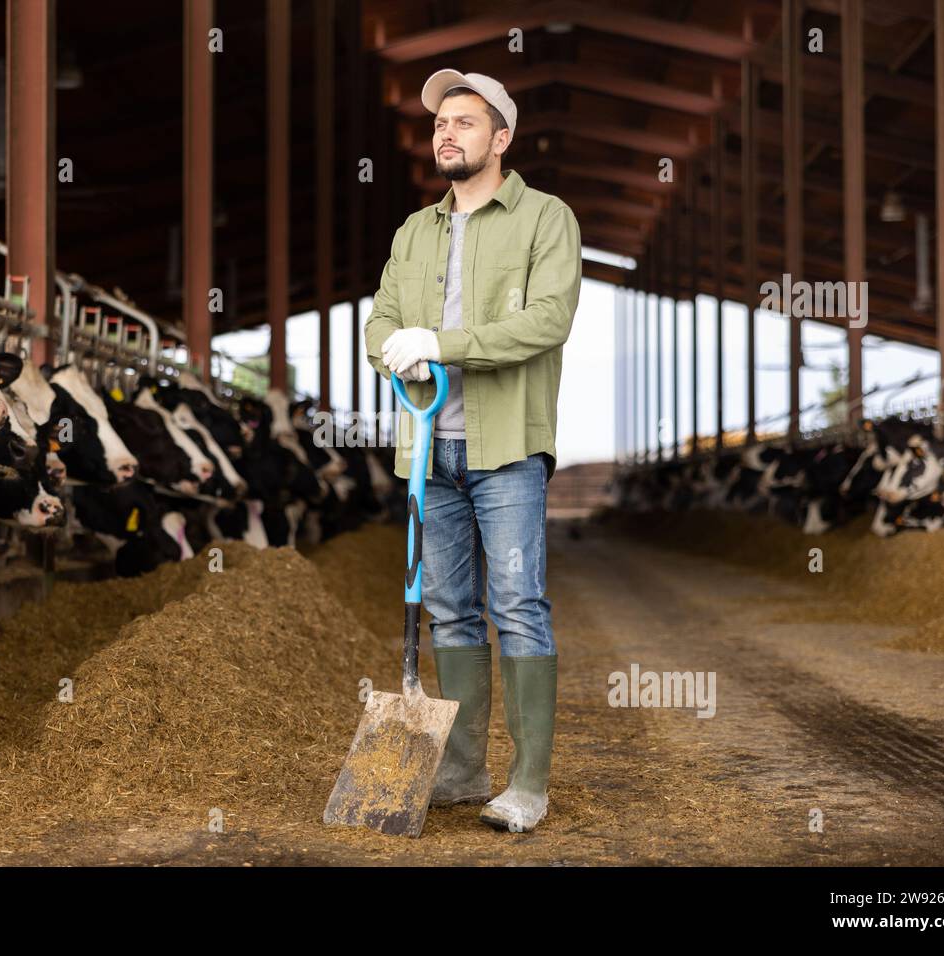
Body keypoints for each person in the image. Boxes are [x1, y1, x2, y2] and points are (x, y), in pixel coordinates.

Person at [364, 69, 582, 832]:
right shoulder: (414, 232)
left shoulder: (545, 220)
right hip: (429, 451)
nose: (445, 134)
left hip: (507, 446)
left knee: (518, 607)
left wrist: (445, 343)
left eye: (463, 121)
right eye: (438, 125)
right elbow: (378, 320)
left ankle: (529, 784)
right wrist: (395, 350)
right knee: (451, 612)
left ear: (502, 137)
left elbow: (546, 322)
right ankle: (460, 771)